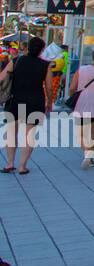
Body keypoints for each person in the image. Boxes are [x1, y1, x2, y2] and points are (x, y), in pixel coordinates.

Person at [3, 37, 53, 175]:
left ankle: (9, 163)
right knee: (29, 134)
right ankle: (22, 166)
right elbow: (49, 87)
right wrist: (49, 102)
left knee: (12, 133)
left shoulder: (16, 60)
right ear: (42, 50)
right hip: (35, 101)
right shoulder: (46, 65)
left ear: (27, 47)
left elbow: (1, 78)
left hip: (15, 100)